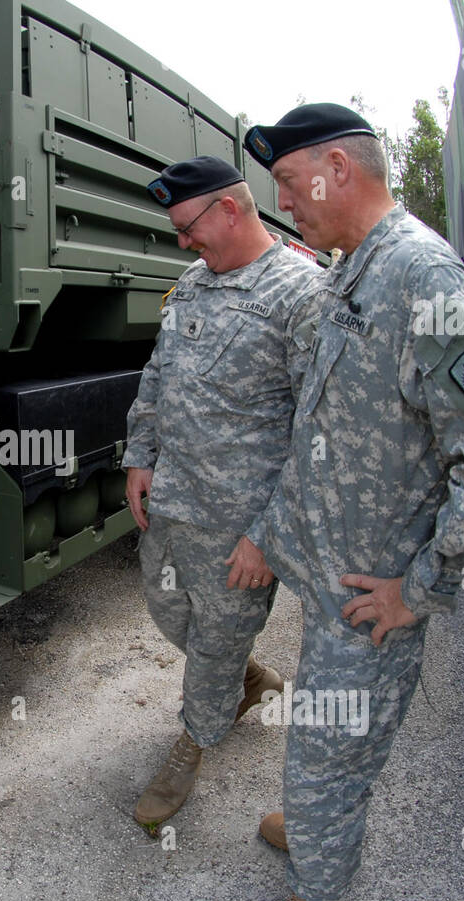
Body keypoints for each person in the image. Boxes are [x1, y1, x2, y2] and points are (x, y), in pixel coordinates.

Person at [229, 104, 464, 901]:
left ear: (338, 167)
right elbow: (325, 421)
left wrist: (423, 587)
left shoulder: (420, 276)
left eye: (289, 183)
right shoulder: (356, 268)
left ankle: (318, 862)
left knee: (325, 764)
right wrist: (273, 532)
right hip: (334, 581)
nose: (287, 203)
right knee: (325, 755)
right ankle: (316, 826)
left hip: (373, 605)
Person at [123, 155, 322, 827]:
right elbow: (159, 372)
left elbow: (322, 433)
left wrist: (271, 535)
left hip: (242, 526)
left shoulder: (303, 294)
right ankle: (247, 680)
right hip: (175, 501)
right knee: (168, 610)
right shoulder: (193, 281)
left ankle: (193, 742)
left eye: (188, 226)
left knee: (215, 638)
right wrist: (139, 456)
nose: (183, 242)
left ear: (230, 210)